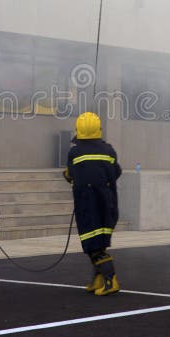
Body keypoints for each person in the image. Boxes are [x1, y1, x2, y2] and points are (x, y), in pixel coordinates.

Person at [63, 112, 123, 296]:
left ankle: (110, 280)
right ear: (99, 130)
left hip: (88, 205)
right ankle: (98, 279)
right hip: (108, 204)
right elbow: (117, 172)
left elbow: (69, 174)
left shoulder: (75, 152)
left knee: (93, 245)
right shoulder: (109, 151)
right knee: (98, 243)